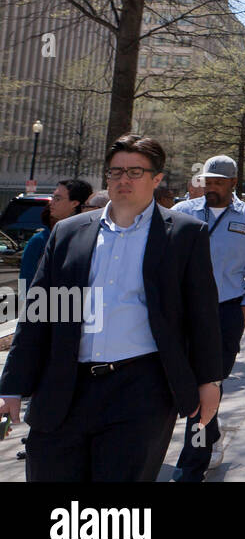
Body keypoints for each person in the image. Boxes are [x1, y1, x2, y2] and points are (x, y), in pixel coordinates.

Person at [0, 134, 223, 481]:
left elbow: (202, 315)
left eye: (135, 172)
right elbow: (39, 314)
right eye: (116, 172)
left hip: (142, 390)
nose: (123, 180)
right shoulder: (69, 233)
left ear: (157, 178)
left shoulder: (185, 234)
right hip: (63, 388)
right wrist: (13, 386)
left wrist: (209, 381)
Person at [170, 155, 245, 482]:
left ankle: (192, 465)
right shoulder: (182, 213)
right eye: (207, 181)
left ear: (232, 183)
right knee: (196, 387)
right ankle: (205, 442)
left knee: (209, 384)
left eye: (217, 182)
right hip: (184, 312)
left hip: (225, 312)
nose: (210, 188)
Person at [19, 179, 93, 291]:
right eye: (53, 197)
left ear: (75, 203)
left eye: (57, 199)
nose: (51, 202)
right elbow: (25, 285)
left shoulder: (92, 239)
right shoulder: (40, 241)